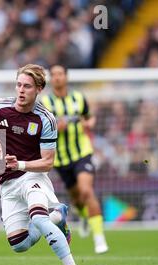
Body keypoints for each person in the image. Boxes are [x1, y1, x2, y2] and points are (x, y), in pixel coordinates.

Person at [0, 64, 86, 265]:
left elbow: (48, 163)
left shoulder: (45, 119)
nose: (21, 90)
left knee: (38, 218)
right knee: (19, 244)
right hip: (6, 182)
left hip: (32, 176)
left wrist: (20, 164)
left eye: (27, 86)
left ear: (39, 89)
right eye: (19, 85)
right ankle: (57, 216)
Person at [41, 64, 108, 254]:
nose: (57, 78)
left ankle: (99, 238)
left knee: (86, 191)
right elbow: (41, 128)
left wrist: (89, 122)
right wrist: (55, 129)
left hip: (81, 153)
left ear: (66, 77)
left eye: (60, 74)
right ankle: (85, 216)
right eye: (53, 75)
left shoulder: (78, 98)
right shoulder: (45, 103)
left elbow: (89, 117)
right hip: (60, 159)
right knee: (77, 199)